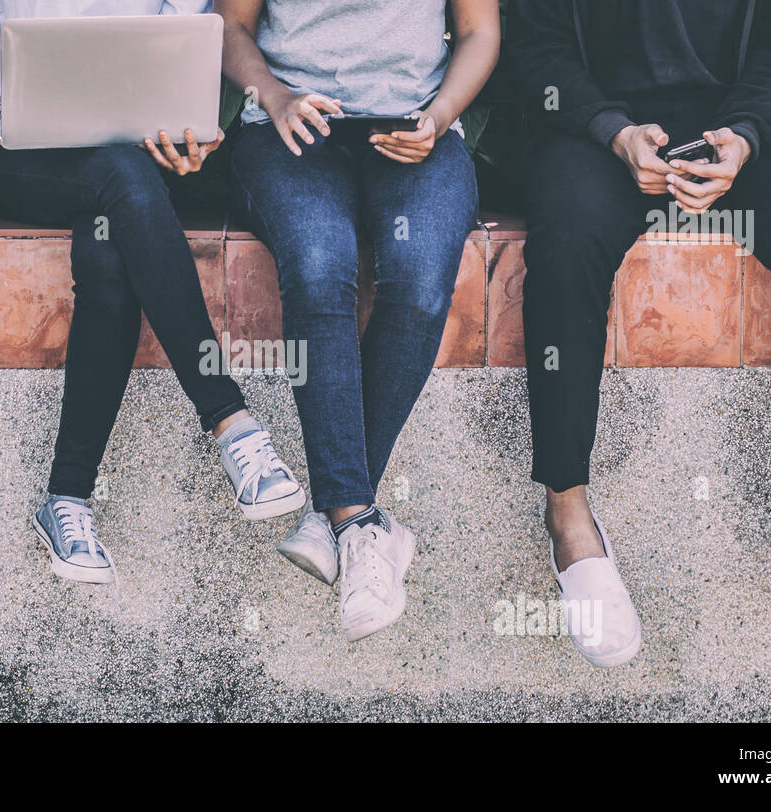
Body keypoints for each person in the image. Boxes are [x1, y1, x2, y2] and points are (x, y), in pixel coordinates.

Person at [509, 0, 771, 667]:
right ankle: (569, 519)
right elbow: (536, 49)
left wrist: (744, 135)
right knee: (566, 247)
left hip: (735, 130)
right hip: (595, 134)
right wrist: (612, 130)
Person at [0, 0, 306, 587]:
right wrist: (0, 109)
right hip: (14, 151)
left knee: (107, 252)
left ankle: (66, 500)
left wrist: (189, 138)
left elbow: (184, 63)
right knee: (122, 181)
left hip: (128, 161)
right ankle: (230, 420)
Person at [219, 0, 499, 641]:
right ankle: (359, 523)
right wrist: (276, 94)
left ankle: (338, 518)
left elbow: (481, 33)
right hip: (290, 131)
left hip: (416, 134)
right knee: (318, 268)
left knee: (422, 282)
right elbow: (231, 26)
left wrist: (439, 115)